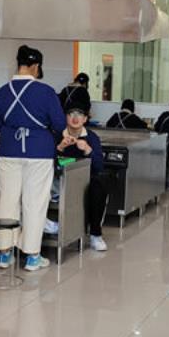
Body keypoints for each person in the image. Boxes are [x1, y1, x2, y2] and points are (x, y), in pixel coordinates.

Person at [0, 45, 67, 272]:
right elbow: (59, 124)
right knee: (35, 202)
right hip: (39, 152)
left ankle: (4, 253)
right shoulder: (46, 92)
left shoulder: (2, 92)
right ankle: (32, 256)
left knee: (6, 200)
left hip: (9, 150)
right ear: (36, 66)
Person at [56, 99, 109, 251]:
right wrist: (60, 148)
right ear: (65, 117)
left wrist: (87, 150)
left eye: (79, 114)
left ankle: (95, 234)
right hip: (59, 181)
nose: (75, 117)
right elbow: (46, 162)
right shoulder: (56, 135)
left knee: (99, 185)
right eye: (71, 114)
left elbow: (99, 166)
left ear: (85, 119)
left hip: (85, 183)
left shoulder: (92, 137)